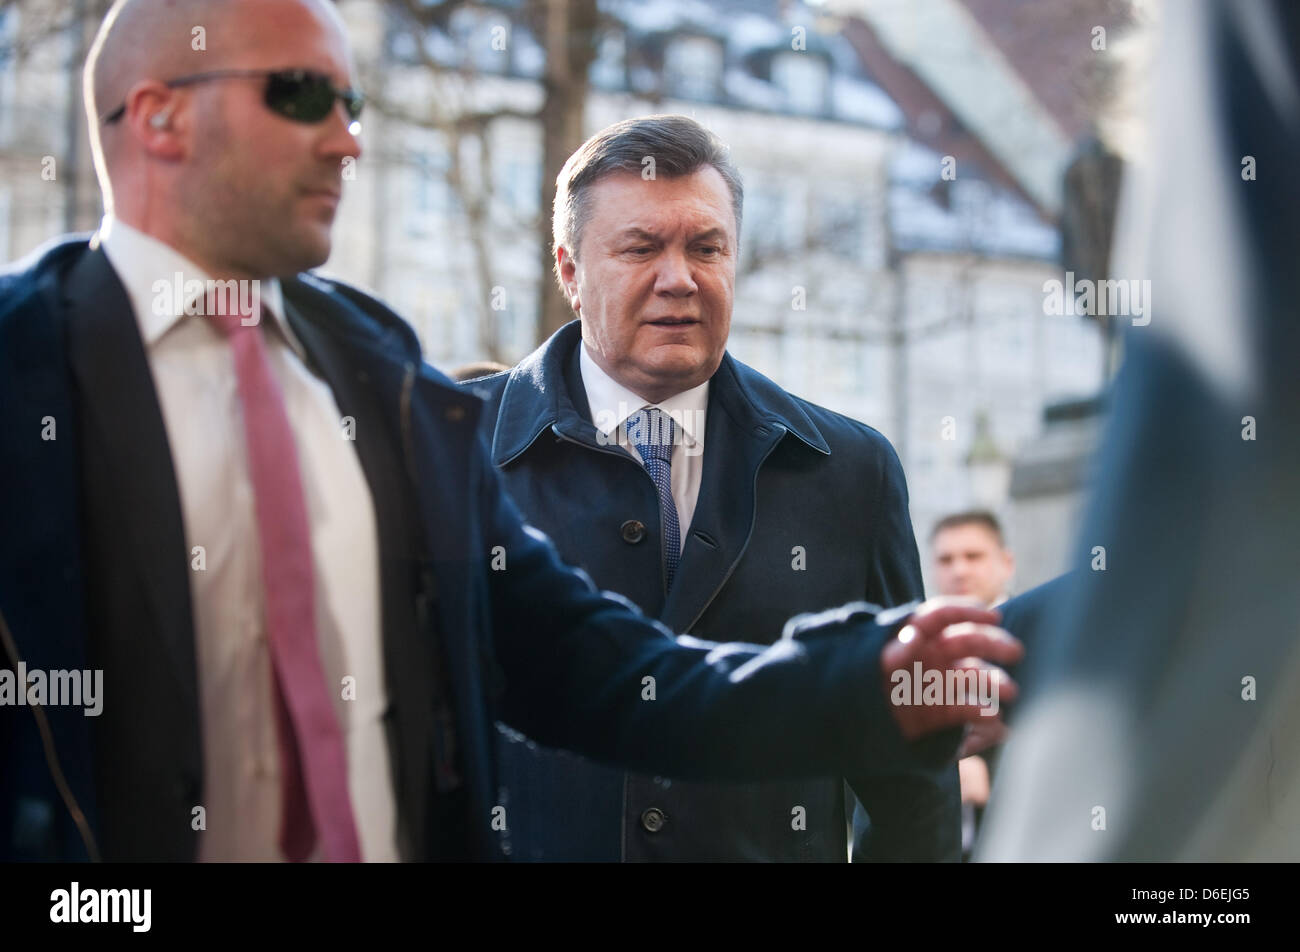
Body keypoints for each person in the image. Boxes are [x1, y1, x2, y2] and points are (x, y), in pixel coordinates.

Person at [0, 0, 1020, 863]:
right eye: (302, 96)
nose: (348, 137)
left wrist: (856, 684)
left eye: (351, 103)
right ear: (160, 116)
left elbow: (598, 671)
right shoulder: (19, 370)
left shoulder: (380, 374)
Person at [462, 115, 956, 862]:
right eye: (640, 247)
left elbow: (911, 787)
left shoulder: (851, 472)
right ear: (568, 271)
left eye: (706, 247)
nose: (678, 278)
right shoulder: (450, 447)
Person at [928, 510, 1016, 859]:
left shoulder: (1046, 639)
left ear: (1006, 563)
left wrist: (993, 780)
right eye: (946, 559)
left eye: (973, 556)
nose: (959, 570)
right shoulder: (915, 655)